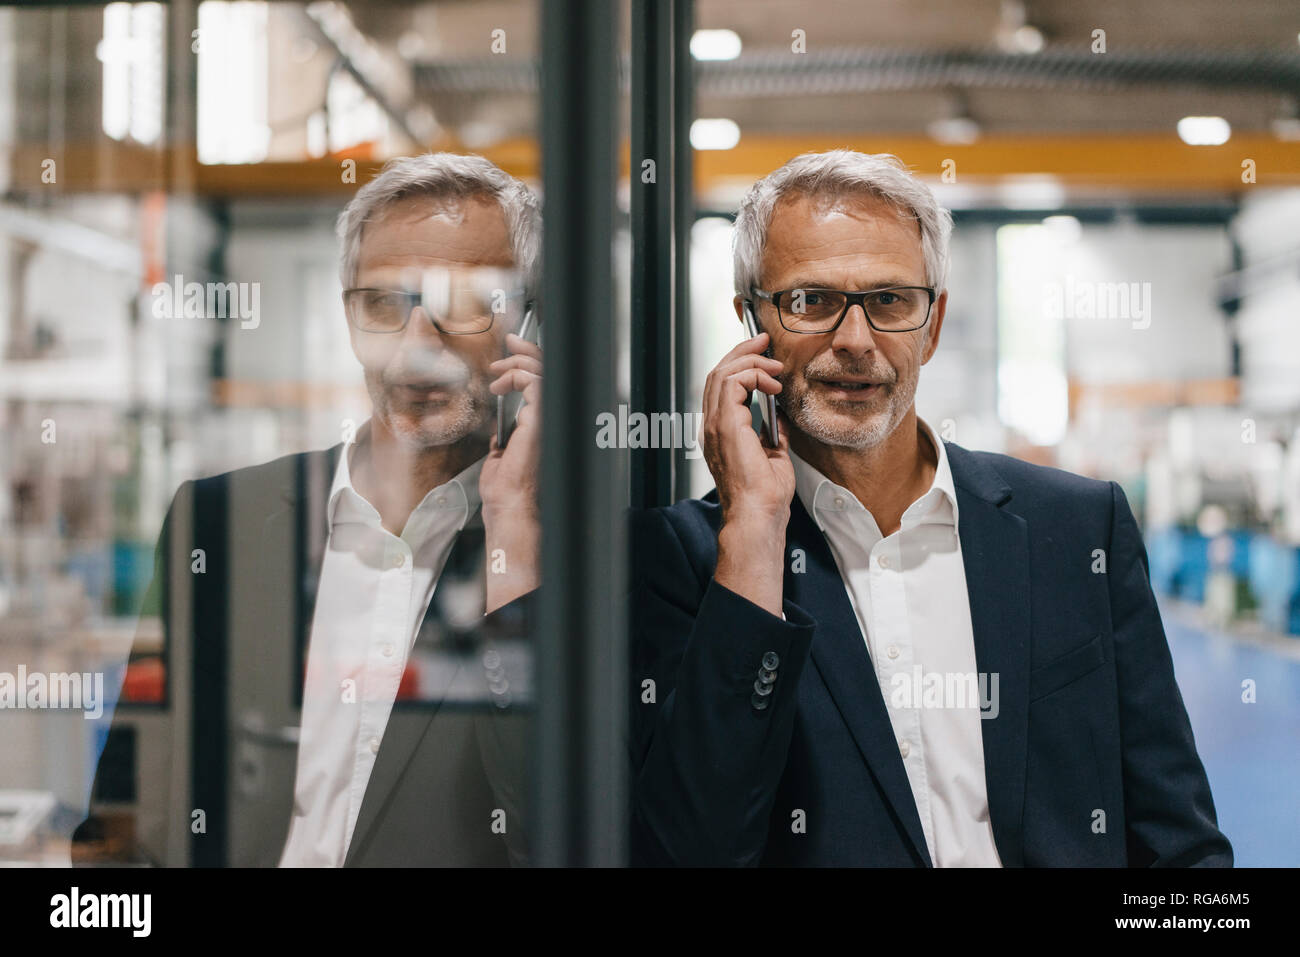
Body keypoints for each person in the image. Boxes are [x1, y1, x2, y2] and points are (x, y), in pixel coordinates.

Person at [629, 149, 1232, 867]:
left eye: (889, 301)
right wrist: (755, 533)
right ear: (751, 321)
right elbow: (692, 847)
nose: (855, 341)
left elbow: (1180, 845)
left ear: (933, 324)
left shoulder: (1075, 530)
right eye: (812, 300)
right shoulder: (687, 563)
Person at [73, 153, 542, 867]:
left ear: (526, 324)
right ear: (352, 321)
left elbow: (556, 831)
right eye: (385, 302)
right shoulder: (218, 523)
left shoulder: (575, 557)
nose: (418, 343)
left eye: (466, 300)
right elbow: (122, 822)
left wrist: (514, 538)